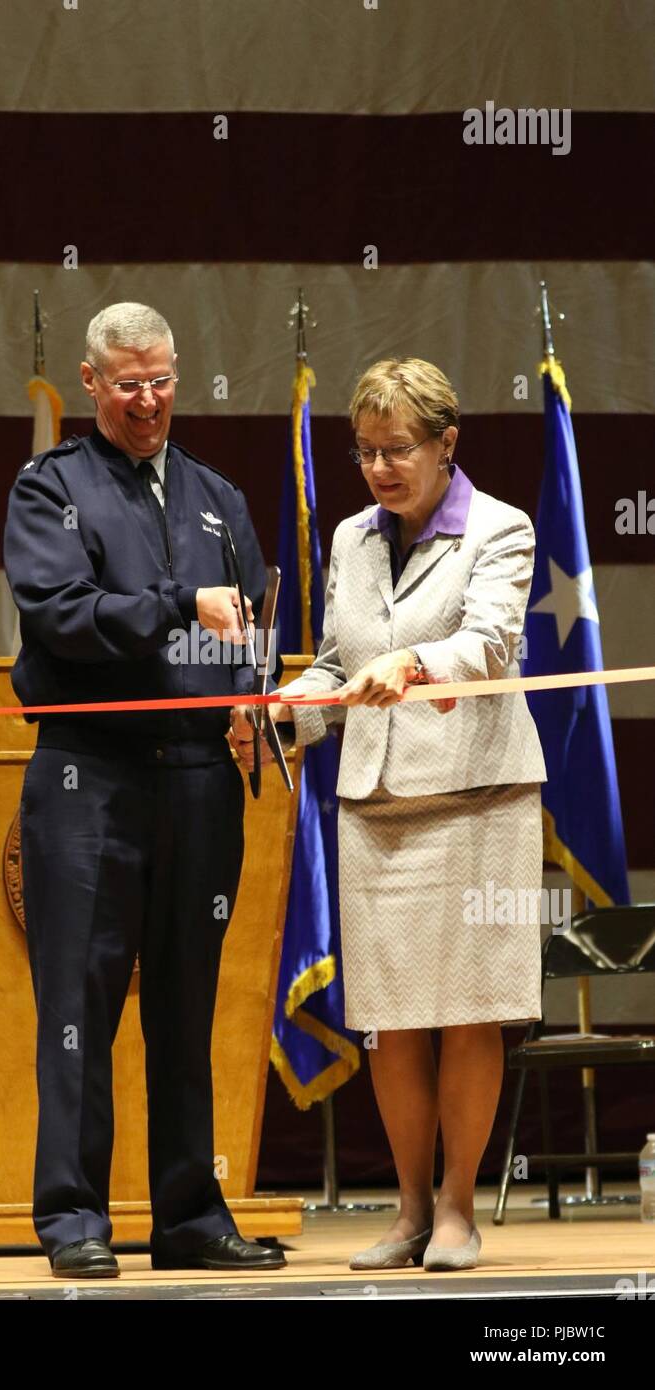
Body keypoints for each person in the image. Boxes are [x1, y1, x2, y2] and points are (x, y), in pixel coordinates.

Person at [241, 357, 547, 1273]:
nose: (379, 467)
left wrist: (414, 667)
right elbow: (339, 663)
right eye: (366, 450)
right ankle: (410, 1209)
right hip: (376, 802)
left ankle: (458, 1209)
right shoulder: (350, 538)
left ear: (447, 445)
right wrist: (279, 715)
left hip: (476, 795)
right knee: (393, 1016)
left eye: (398, 449)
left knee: (469, 1011)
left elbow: (490, 640)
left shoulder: (502, 528)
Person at [4, 302, 282, 1278]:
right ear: (90, 383)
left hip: (200, 780)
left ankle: (188, 1214)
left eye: (161, 380)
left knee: (184, 1003)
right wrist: (176, 605)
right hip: (90, 779)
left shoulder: (217, 496)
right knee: (78, 1002)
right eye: (128, 384)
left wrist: (254, 694)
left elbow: (248, 629)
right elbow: (61, 616)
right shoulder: (49, 491)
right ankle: (74, 1217)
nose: (148, 401)